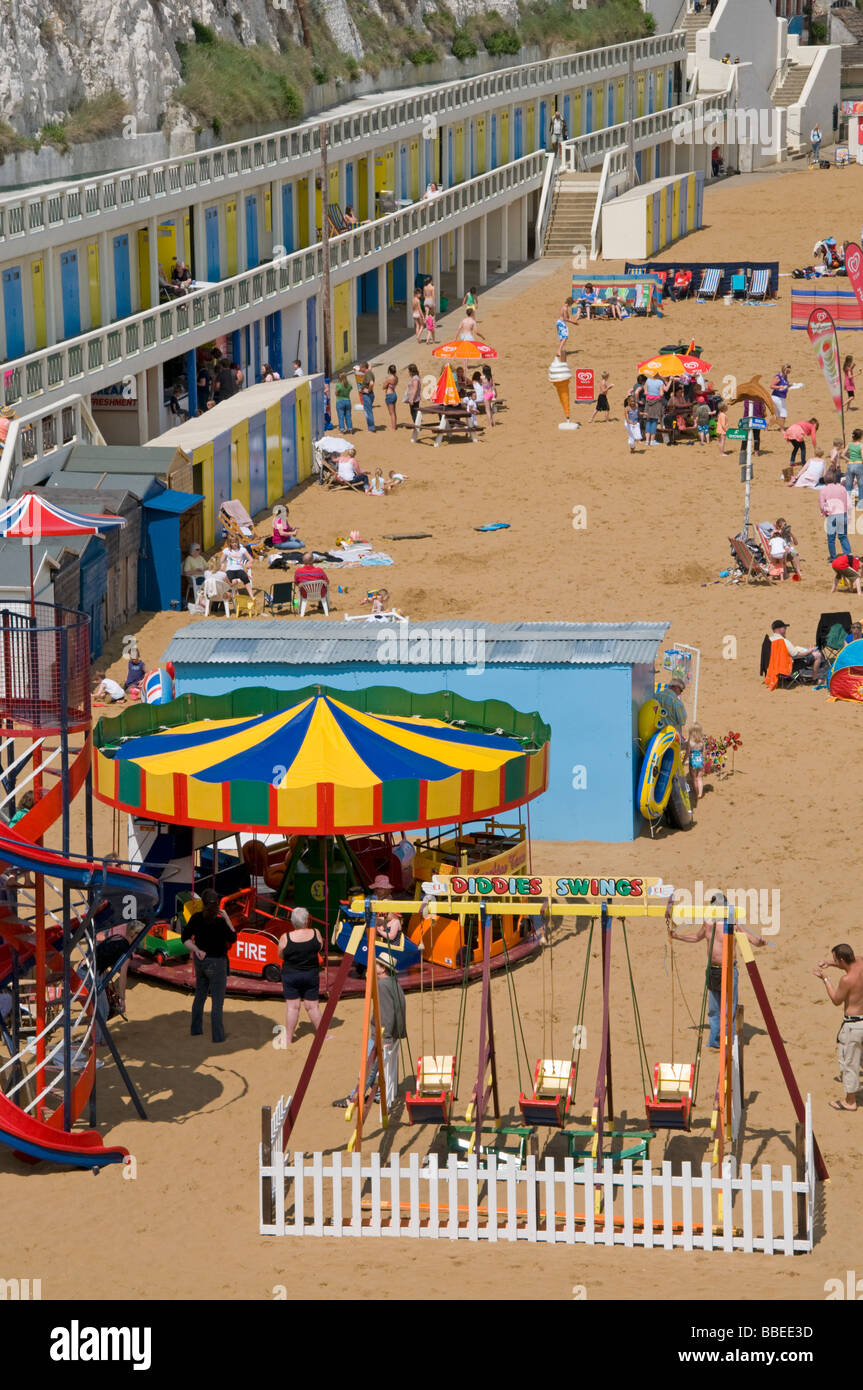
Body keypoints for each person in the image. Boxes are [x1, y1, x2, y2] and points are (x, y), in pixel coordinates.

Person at [669, 895, 766, 1050]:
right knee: (714, 1009)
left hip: (728, 969)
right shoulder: (708, 923)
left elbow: (749, 937)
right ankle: (715, 1041)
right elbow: (696, 937)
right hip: (713, 969)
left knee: (729, 1008)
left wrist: (759, 943)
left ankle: (729, 1041)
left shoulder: (732, 922)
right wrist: (677, 936)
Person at [333, 954, 407, 1109]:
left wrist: (384, 1037)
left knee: (368, 1067)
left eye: (377, 965)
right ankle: (379, 1093)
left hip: (383, 1034)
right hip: (392, 1033)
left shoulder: (382, 985)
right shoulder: (393, 982)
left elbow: (386, 1013)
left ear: (383, 969)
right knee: (379, 1067)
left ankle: (354, 1097)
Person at [181, 889, 236, 1043]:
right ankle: (218, 1036)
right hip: (217, 963)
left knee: (200, 995)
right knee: (217, 1002)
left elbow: (184, 938)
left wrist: (197, 950)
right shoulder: (220, 922)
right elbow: (233, 937)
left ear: (203, 903)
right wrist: (227, 918)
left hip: (201, 960)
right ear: (217, 905)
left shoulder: (196, 918)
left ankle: (196, 1029)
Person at [813, 943, 863, 1110]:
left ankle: (850, 1101)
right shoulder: (861, 961)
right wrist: (830, 962)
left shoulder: (846, 979)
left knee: (850, 1063)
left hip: (853, 1026)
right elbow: (848, 963)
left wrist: (825, 979)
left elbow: (836, 999)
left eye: (835, 959)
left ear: (842, 959)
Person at [278, 906, 323, 1043]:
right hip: (311, 974)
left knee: (292, 1007)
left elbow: (281, 955)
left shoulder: (285, 937)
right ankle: (322, 1036)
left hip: (291, 975)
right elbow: (319, 947)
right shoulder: (316, 933)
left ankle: (289, 1037)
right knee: (313, 1006)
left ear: (292, 921)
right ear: (306, 921)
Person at [820, 467, 853, 560]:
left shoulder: (823, 491)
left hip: (832, 516)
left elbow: (822, 506)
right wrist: (848, 515)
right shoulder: (842, 488)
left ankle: (833, 557)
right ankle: (848, 555)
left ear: (825, 481)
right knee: (843, 537)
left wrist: (824, 513)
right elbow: (848, 503)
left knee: (831, 539)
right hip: (842, 514)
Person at [657, 668, 688, 738]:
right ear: (676, 687)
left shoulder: (656, 695)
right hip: (672, 737)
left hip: (657, 735)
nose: (680, 693)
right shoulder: (676, 702)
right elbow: (683, 721)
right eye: (681, 690)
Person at [842, 428, 863, 507]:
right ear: (861, 437)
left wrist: (849, 460)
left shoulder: (849, 444)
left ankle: (848, 503)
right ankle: (861, 503)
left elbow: (842, 454)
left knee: (848, 484)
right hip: (859, 465)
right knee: (861, 484)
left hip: (850, 465)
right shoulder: (861, 445)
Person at [355, 361, 376, 431]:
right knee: (368, 411)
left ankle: (371, 428)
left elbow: (371, 383)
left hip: (367, 395)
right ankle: (371, 427)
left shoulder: (367, 373)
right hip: (369, 394)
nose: (360, 369)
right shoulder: (369, 372)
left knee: (368, 412)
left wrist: (368, 390)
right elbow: (369, 367)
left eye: (361, 368)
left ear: (364, 367)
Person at [405, 363, 421, 427]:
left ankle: (417, 426)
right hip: (415, 398)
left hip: (414, 399)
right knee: (414, 412)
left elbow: (415, 389)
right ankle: (417, 425)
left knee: (414, 413)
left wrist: (411, 399)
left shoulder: (415, 379)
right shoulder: (416, 377)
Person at [383, 364, 398, 431]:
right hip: (394, 394)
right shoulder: (396, 377)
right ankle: (394, 425)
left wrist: (386, 383)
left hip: (390, 395)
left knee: (391, 413)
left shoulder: (389, 378)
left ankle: (393, 427)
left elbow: (383, 387)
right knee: (393, 412)